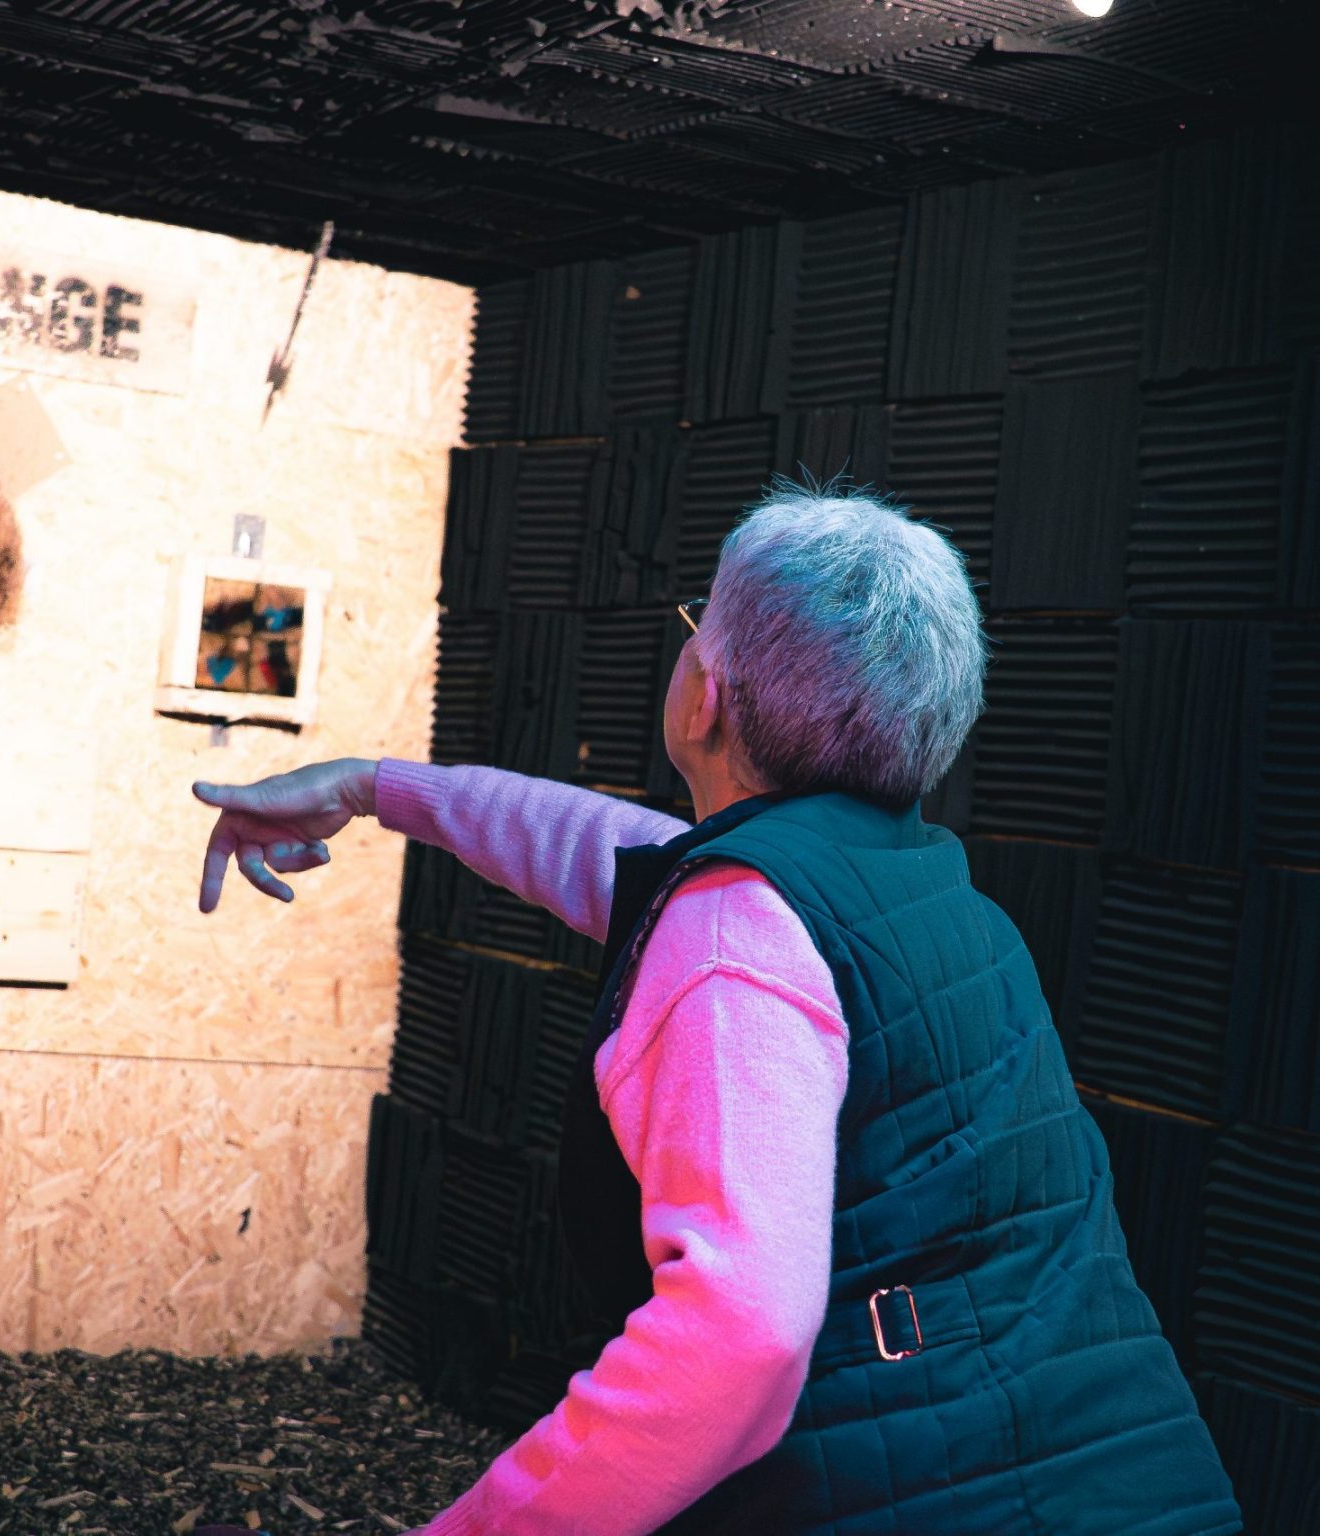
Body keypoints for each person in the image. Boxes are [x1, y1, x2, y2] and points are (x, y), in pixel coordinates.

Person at [193, 480, 1243, 1535]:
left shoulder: (738, 929)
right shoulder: (921, 892)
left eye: (697, 625)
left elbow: (740, 1332)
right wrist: (373, 788)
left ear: (706, 699)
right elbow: (617, 856)